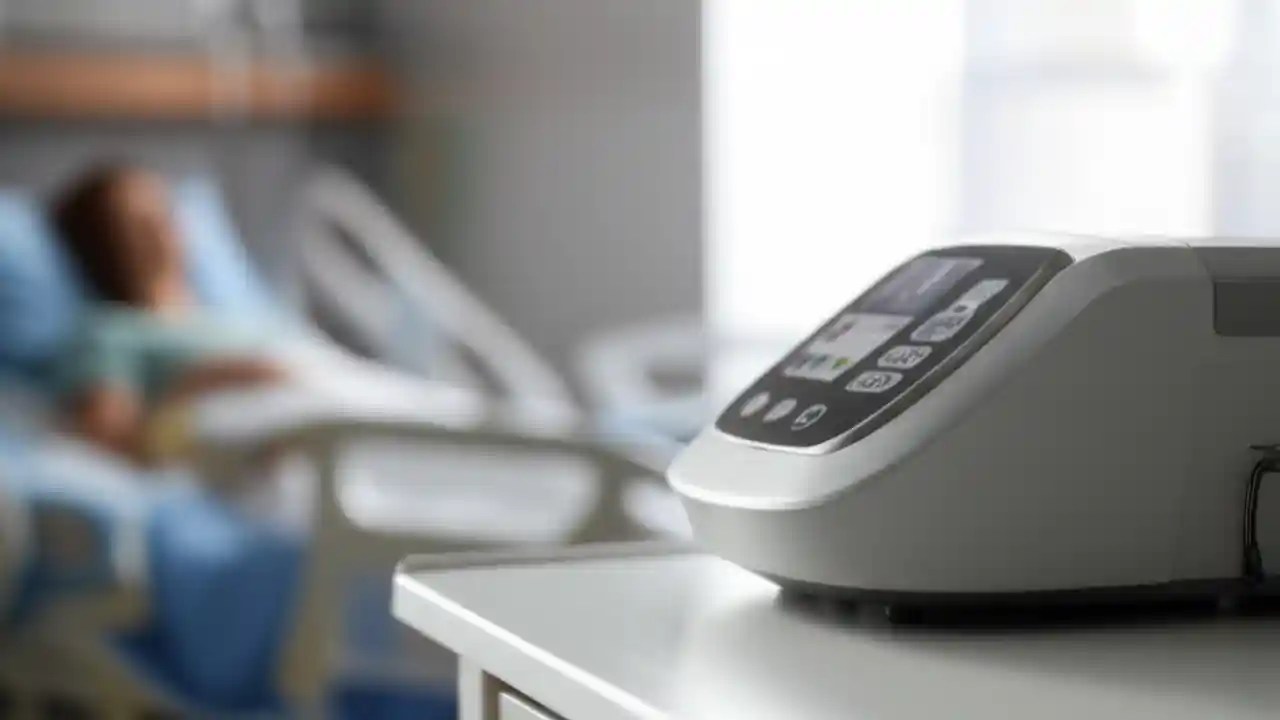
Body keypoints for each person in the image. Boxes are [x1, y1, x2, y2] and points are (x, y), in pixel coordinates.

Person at [51, 163, 286, 465]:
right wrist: (206, 382)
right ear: (103, 244)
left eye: (163, 211)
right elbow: (109, 440)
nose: (160, 229)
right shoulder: (112, 333)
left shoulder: (240, 317)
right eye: (137, 223)